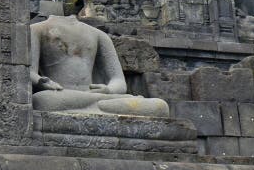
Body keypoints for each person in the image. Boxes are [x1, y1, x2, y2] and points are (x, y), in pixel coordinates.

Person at [30, 14, 168, 116]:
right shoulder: (37, 29)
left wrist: (108, 90)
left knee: (160, 106)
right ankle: (101, 106)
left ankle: (96, 105)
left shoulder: (98, 35)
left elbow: (119, 81)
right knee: (42, 101)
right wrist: (41, 81)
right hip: (60, 95)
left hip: (92, 96)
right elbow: (29, 72)